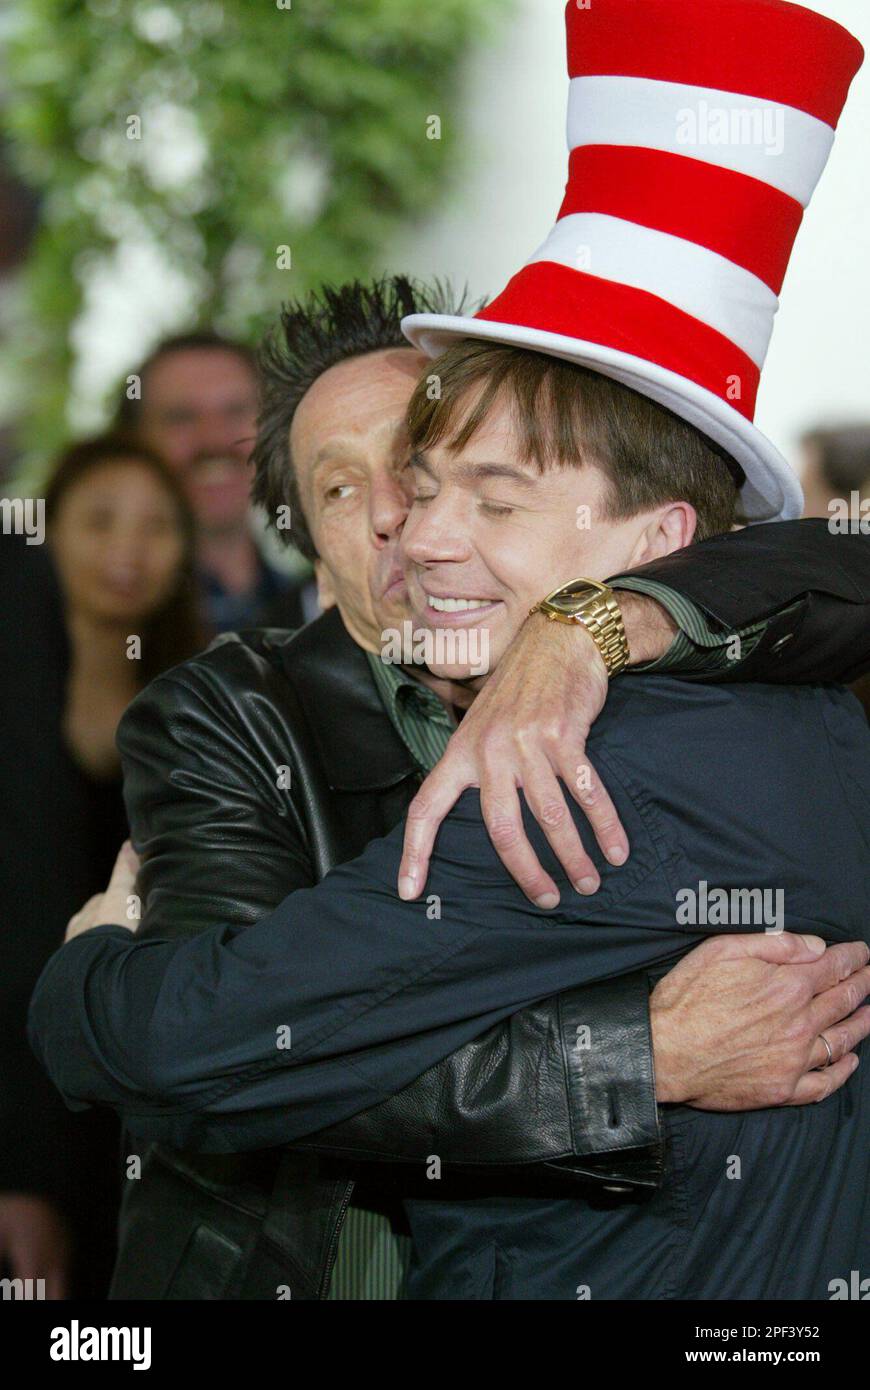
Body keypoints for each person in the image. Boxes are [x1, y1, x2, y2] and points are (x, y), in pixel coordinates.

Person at [0, 433, 201, 1297]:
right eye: (100, 521)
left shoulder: (194, 702)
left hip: (125, 1101)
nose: (128, 551)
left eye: (158, 526)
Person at [117, 330, 314, 632]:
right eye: (180, 417)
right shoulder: (105, 620)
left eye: (236, 411)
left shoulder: (317, 608)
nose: (215, 439)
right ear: (135, 442)